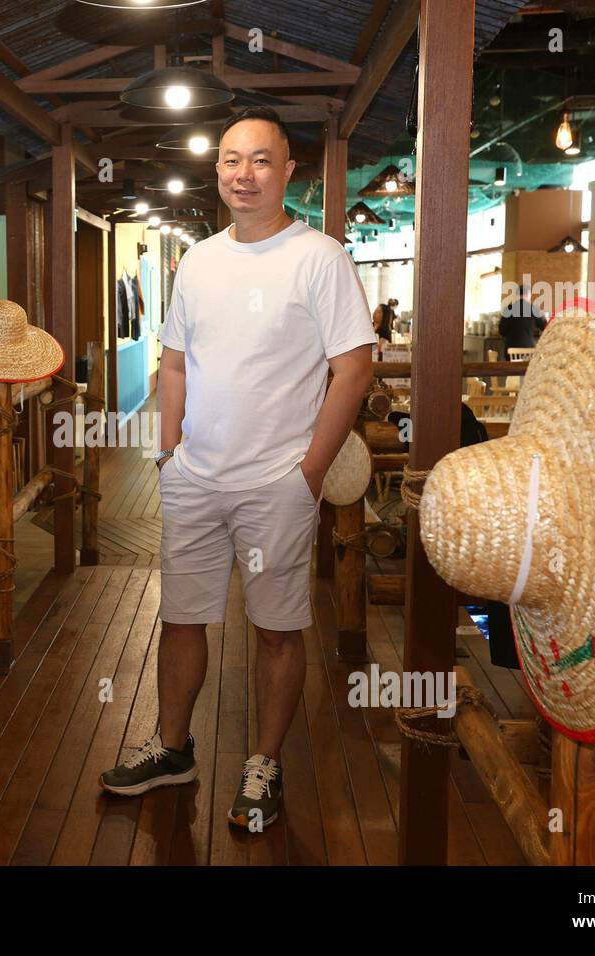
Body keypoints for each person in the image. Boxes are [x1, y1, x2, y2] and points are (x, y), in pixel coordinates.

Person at [98, 106, 375, 830]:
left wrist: (309, 471)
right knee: (182, 619)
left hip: (277, 483)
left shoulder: (320, 258)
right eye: (230, 159)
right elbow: (175, 360)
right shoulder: (199, 259)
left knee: (277, 630)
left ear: (287, 171)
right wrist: (167, 452)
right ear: (216, 171)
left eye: (259, 160)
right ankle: (172, 748)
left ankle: (264, 764)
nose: (242, 173)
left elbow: (353, 368)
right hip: (195, 475)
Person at [499, 284, 548, 351]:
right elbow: (545, 327)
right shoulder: (533, 309)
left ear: (516, 295)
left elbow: (501, 331)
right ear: (528, 295)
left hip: (511, 349)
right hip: (528, 349)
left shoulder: (508, 309)